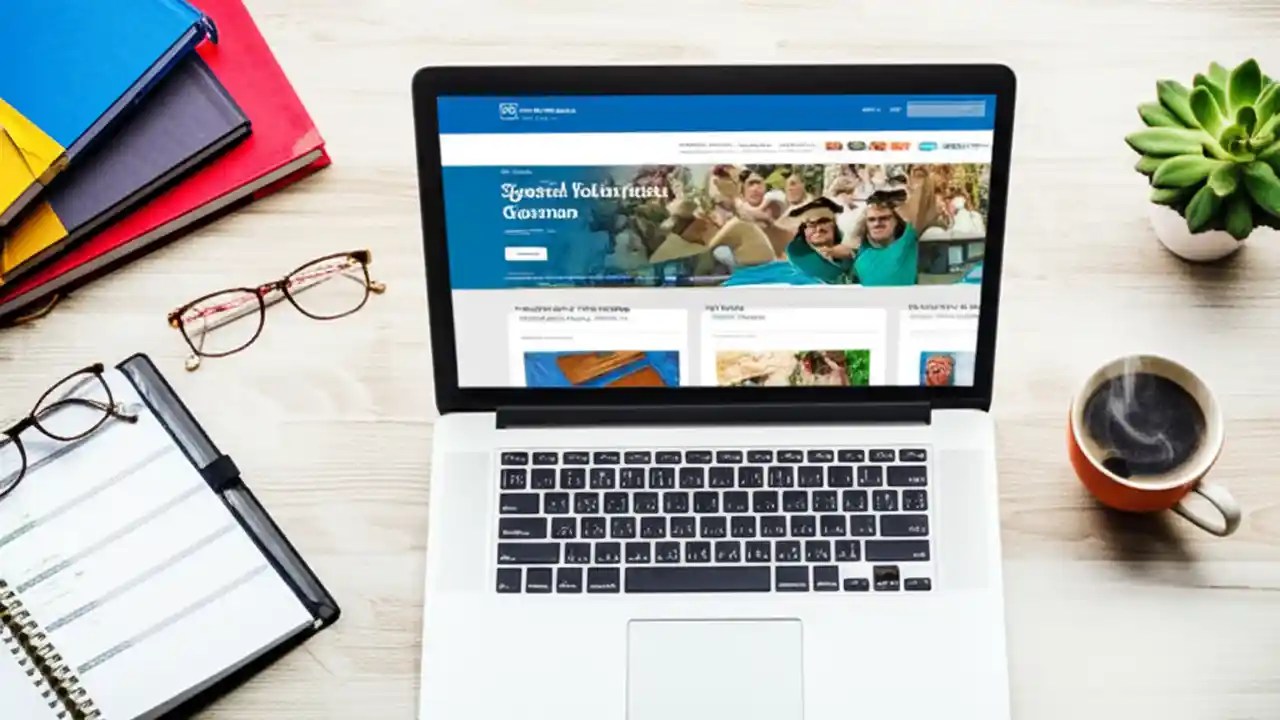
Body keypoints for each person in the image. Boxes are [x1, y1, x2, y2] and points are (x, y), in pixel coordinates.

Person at [848, 166, 947, 286]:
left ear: (896, 221)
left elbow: (922, 194)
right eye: (872, 220)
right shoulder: (860, 256)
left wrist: (918, 172)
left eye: (884, 218)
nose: (877, 223)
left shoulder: (907, 242)